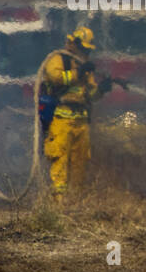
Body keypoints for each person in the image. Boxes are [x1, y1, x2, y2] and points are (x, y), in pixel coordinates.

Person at [39, 26, 115, 199]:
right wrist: (77, 72)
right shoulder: (57, 59)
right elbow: (55, 78)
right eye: (84, 49)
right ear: (73, 44)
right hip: (60, 118)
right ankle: (59, 201)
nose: (86, 53)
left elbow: (90, 94)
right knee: (60, 159)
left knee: (80, 161)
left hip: (81, 120)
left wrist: (102, 89)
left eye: (88, 50)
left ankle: (76, 199)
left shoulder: (84, 66)